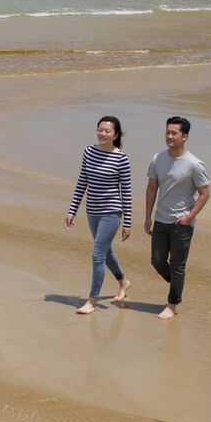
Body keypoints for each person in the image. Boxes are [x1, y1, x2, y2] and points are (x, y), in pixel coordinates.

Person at [64, 115, 134, 314]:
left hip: (111, 213)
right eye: (100, 129)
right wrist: (72, 210)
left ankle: (91, 301)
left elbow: (126, 193)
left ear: (116, 134)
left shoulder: (121, 158)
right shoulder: (89, 151)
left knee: (97, 255)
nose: (103, 133)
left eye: (107, 131)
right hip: (92, 211)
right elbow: (82, 182)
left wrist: (127, 223)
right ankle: (123, 281)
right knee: (106, 251)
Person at [143, 116, 210, 320]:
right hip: (161, 220)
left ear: (185, 136)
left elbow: (205, 193)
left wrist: (190, 217)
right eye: (167, 132)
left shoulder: (194, 164)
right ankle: (177, 284)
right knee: (157, 261)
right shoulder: (157, 159)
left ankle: (172, 304)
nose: (169, 136)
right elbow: (152, 187)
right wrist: (148, 216)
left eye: (174, 133)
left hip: (181, 223)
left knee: (178, 265)